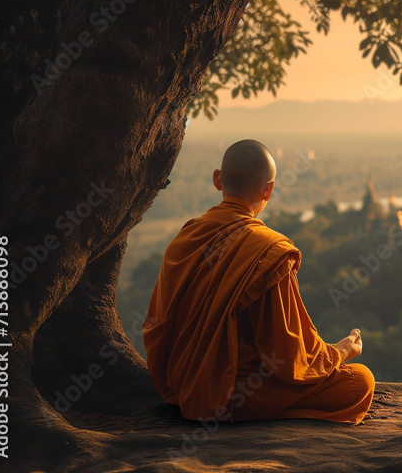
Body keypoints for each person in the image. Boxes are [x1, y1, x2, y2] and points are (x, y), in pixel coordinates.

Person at [143, 139, 373, 424]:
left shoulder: (186, 237)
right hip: (231, 395)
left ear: (218, 180)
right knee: (359, 382)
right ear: (269, 189)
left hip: (178, 387)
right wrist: (340, 350)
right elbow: (286, 355)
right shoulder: (270, 251)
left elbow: (156, 324)